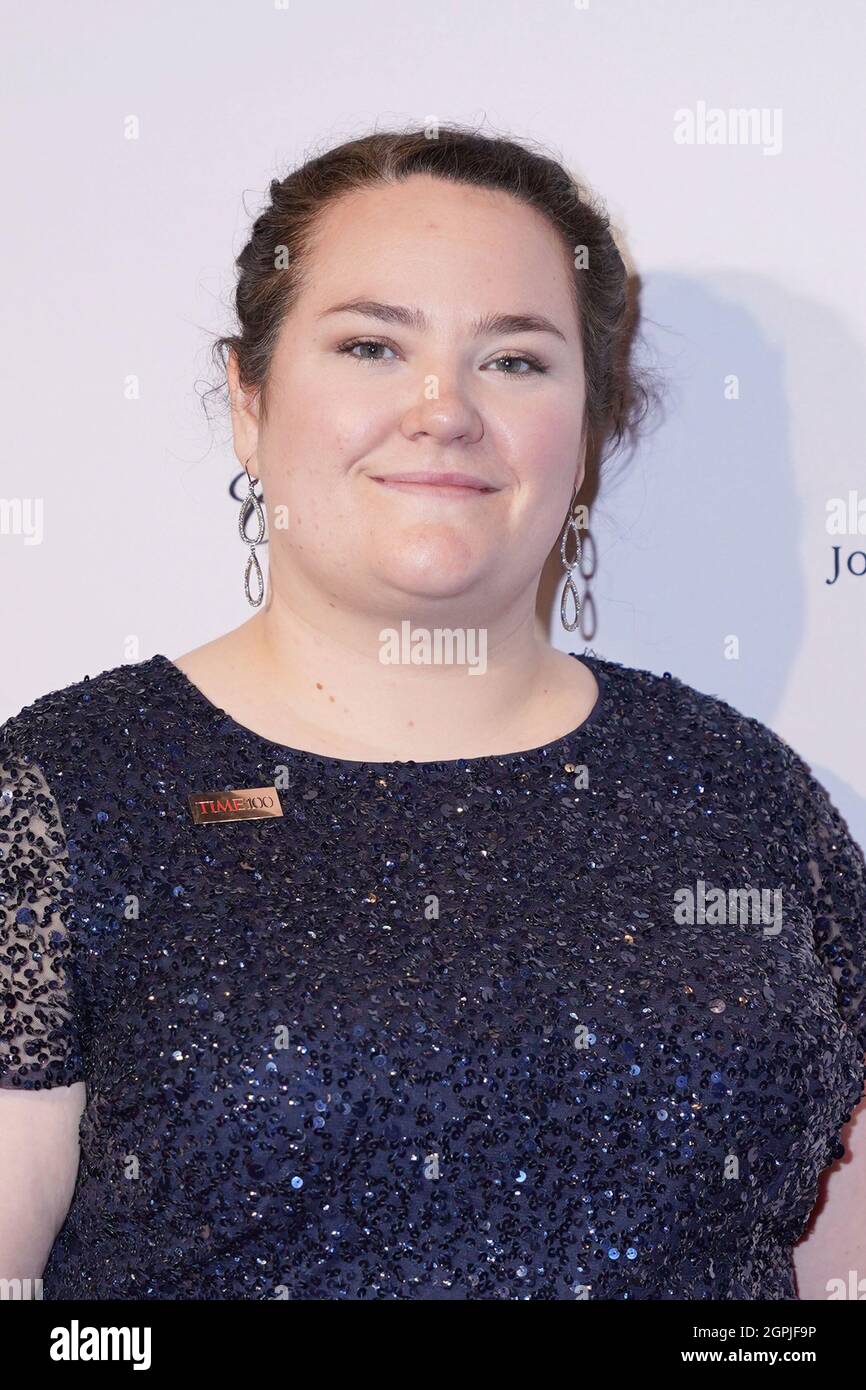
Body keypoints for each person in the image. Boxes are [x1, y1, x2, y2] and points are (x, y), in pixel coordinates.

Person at [1, 125, 864, 1301]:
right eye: (368, 344)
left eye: (513, 360)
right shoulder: (67, 793)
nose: (440, 409)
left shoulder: (741, 793)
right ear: (248, 401)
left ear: (590, 426)